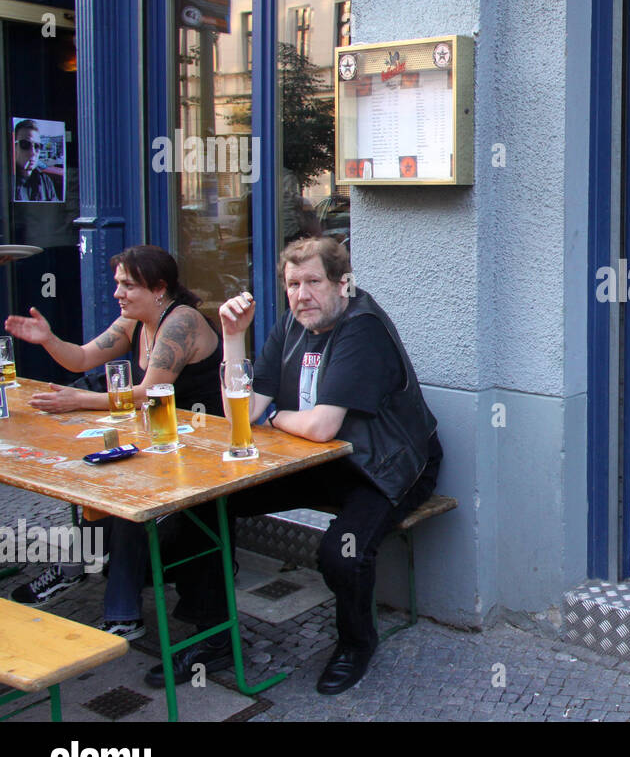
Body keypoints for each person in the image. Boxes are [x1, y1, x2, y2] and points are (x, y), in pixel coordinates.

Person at [157, 236, 442, 695]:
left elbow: (322, 426)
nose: (301, 294)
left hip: (385, 467)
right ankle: (213, 636)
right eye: (292, 284)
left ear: (342, 284)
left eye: (313, 281)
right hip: (317, 465)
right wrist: (232, 339)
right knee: (203, 505)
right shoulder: (291, 325)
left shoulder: (361, 327)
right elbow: (241, 416)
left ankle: (355, 644)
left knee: (341, 552)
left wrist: (273, 416)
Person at [5, 245, 222, 640]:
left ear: (158, 288)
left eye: (127, 285)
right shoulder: (133, 321)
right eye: (118, 283)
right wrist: (49, 339)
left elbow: (150, 391)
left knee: (125, 497)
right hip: (156, 437)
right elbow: (82, 358)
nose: (117, 293)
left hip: (201, 446)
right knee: (89, 472)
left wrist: (79, 401)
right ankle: (79, 567)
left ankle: (117, 608)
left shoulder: (181, 321)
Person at [12, 120, 60, 203]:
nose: (33, 152)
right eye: (25, 145)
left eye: (37, 146)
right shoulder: (6, 182)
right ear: (14, 147)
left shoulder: (45, 181)